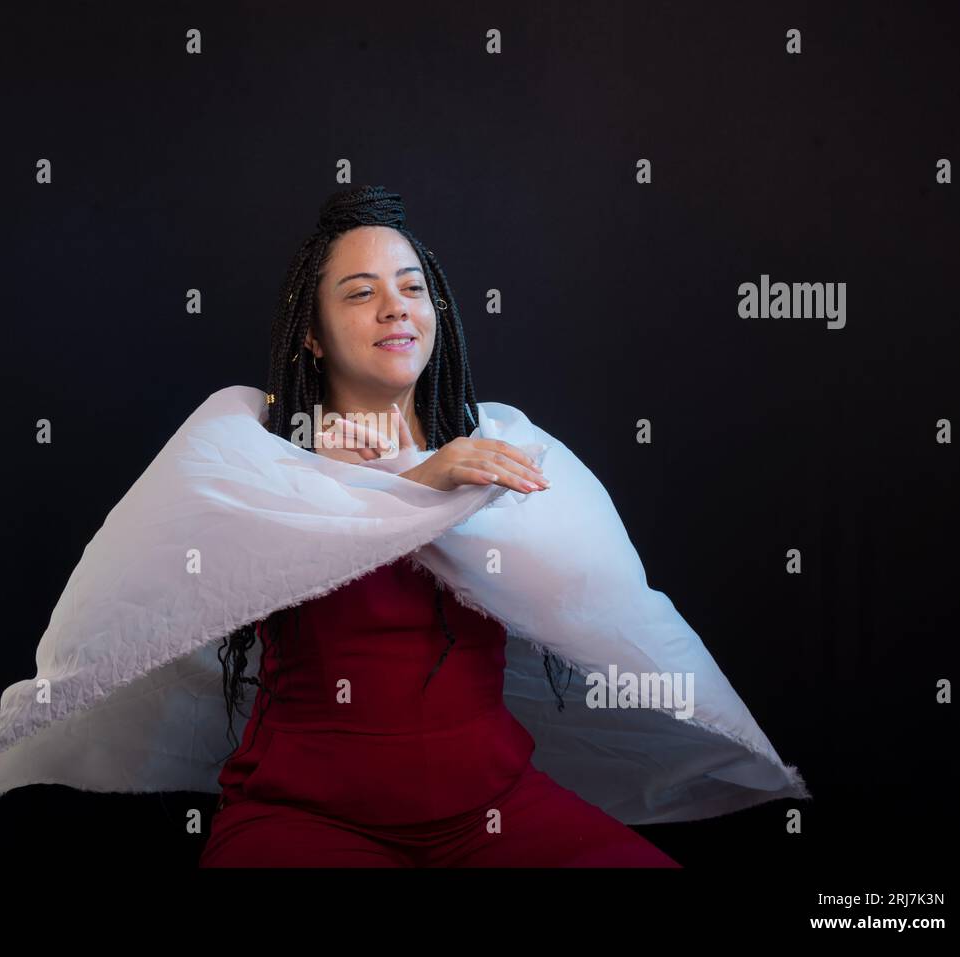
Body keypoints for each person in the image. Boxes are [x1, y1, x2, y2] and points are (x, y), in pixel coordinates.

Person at [198, 185, 681, 867]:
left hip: (490, 809)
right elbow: (224, 568)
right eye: (360, 293)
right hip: (307, 817)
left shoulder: (498, 443)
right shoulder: (259, 449)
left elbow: (584, 585)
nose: (396, 306)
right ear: (311, 331)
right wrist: (406, 486)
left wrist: (449, 483)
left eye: (412, 287)